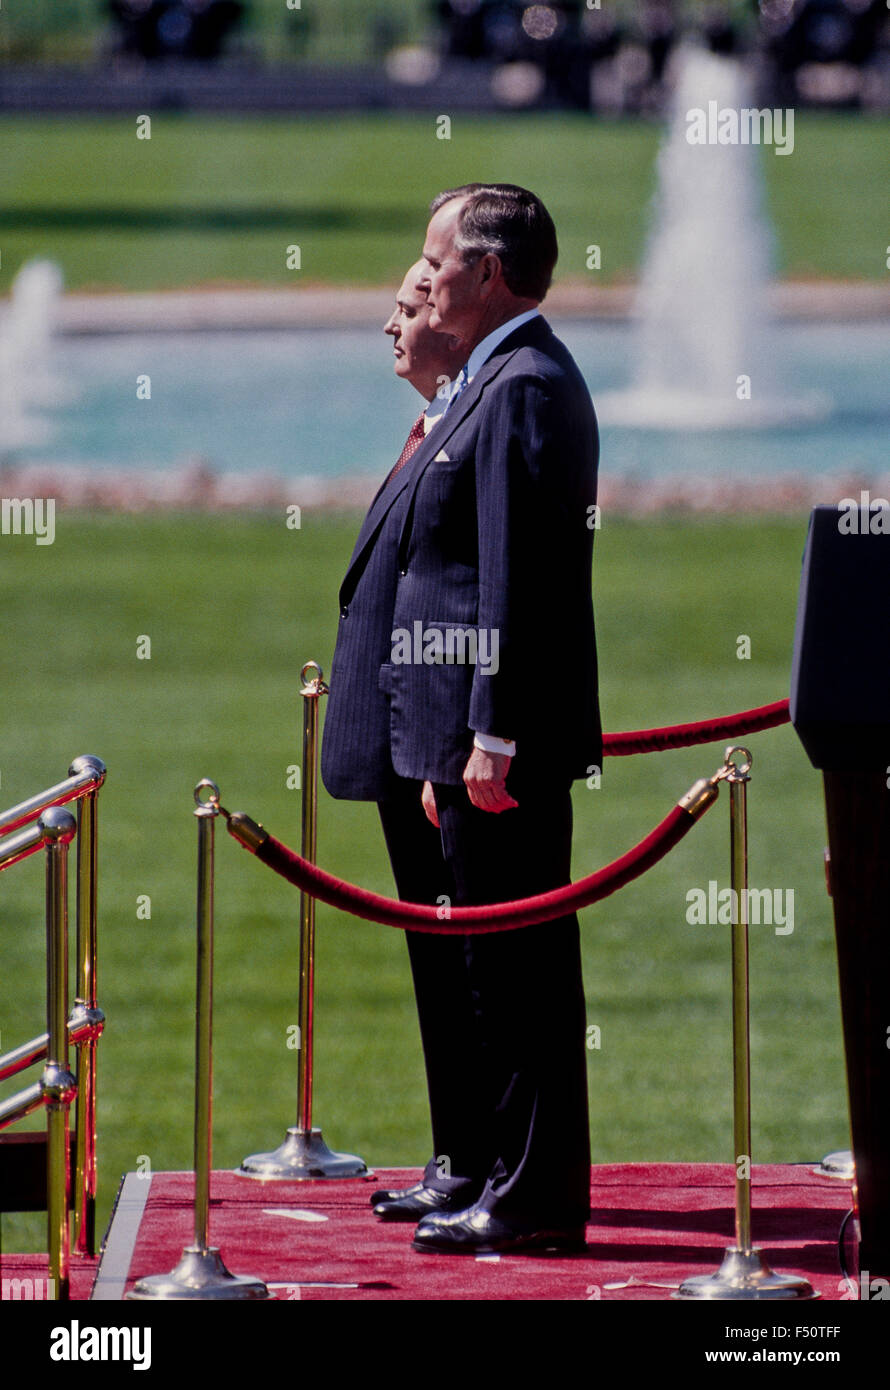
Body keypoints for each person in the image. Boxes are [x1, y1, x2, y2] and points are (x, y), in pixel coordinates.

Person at [321, 184, 602, 1255]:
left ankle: (531, 1196)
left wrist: (493, 731)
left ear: (486, 275)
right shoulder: (497, 381)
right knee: (488, 970)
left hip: (493, 742)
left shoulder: (523, 386)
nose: (423, 280)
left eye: (437, 263)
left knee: (519, 972)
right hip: (459, 733)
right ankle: (489, 1169)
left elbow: (512, 579)